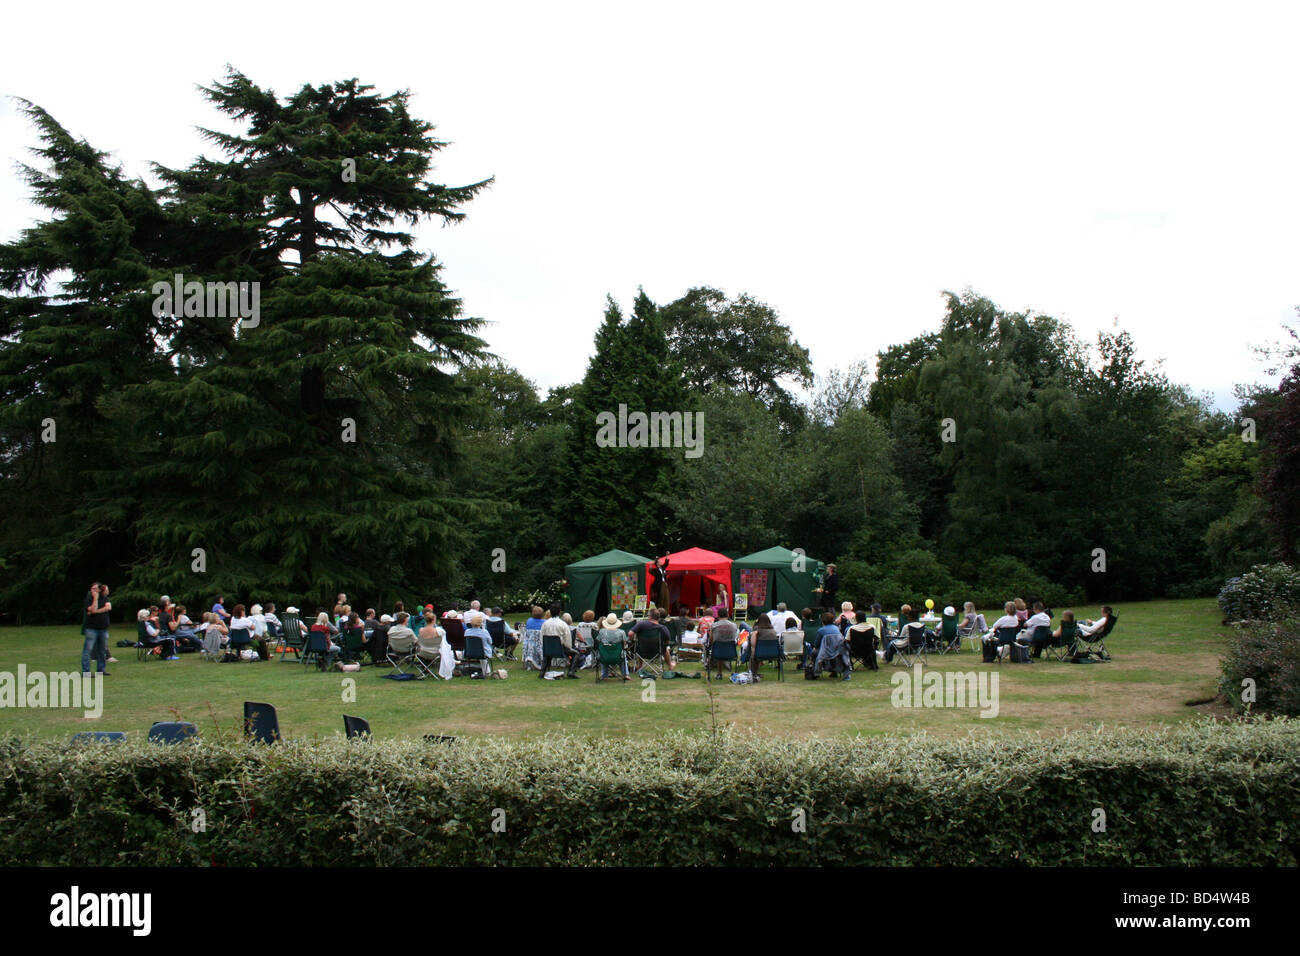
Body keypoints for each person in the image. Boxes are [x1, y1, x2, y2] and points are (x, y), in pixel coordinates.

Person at [541, 602, 581, 678]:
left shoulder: (545, 624)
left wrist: (545, 647)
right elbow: (567, 639)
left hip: (547, 649)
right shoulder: (563, 624)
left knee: (546, 656)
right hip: (560, 649)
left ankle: (542, 672)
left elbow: (542, 637)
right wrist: (569, 647)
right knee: (576, 653)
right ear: (559, 612)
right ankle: (571, 672)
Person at [82, 582, 111, 677]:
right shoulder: (89, 599)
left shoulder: (105, 598)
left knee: (102, 650)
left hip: (103, 628)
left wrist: (96, 611)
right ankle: (86, 672)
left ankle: (101, 670)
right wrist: (95, 599)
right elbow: (91, 608)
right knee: (88, 650)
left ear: (99, 589)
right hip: (92, 629)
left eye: (95, 588)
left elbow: (108, 607)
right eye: (92, 589)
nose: (93, 590)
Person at [814, 611, 851, 679]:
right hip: (839, 651)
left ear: (822, 621)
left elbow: (816, 644)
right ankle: (836, 672)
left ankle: (816, 673)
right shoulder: (836, 628)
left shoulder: (821, 630)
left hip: (826, 652)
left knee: (814, 653)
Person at [595, 613, 630, 681]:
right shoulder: (622, 632)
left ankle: (604, 675)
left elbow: (598, 642)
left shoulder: (601, 632)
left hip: (604, 657)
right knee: (623, 654)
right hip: (618, 656)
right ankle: (625, 674)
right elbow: (624, 645)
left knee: (603, 652)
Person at [706, 609, 738, 680]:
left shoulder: (714, 626)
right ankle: (732, 674)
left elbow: (711, 640)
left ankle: (719, 673)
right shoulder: (734, 625)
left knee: (717, 649)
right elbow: (735, 639)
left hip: (717, 652)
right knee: (721, 647)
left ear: (718, 615)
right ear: (727, 615)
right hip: (731, 652)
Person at [522, 605, 546, 671]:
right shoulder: (544, 622)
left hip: (530, 645)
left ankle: (530, 661)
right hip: (540, 644)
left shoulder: (529, 621)